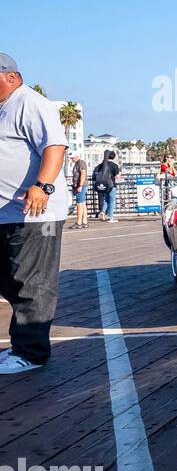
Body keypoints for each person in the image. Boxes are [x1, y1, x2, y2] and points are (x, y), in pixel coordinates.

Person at [0, 53, 70, 374]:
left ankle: (30, 352)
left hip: (35, 213)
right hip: (8, 214)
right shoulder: (4, 109)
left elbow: (54, 146)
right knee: (12, 280)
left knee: (32, 282)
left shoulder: (30, 103)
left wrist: (43, 185)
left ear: (11, 77)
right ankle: (21, 344)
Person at [92, 150, 120, 222]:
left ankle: (102, 211)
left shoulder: (101, 165)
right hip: (111, 185)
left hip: (103, 186)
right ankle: (111, 218)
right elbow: (117, 177)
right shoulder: (114, 165)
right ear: (113, 157)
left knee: (106, 200)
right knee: (112, 201)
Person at [69, 153, 88, 228]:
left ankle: (79, 222)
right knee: (82, 203)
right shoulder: (78, 163)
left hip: (81, 186)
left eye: (72, 158)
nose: (71, 159)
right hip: (81, 185)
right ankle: (84, 221)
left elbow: (83, 174)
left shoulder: (80, 163)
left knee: (79, 204)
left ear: (76, 156)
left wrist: (80, 185)